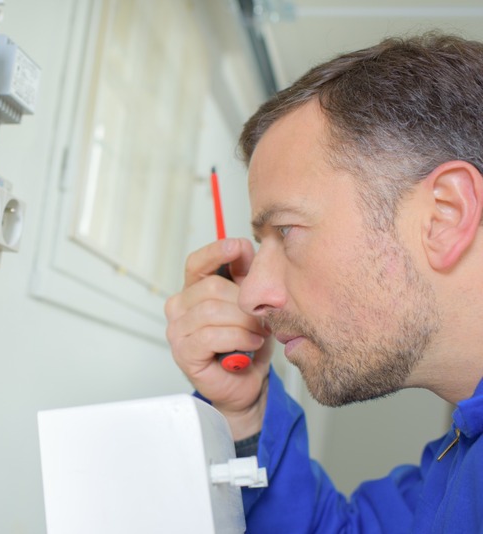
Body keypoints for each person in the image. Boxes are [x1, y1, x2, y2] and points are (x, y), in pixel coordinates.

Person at [164, 33, 483, 532]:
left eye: (287, 230)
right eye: (260, 240)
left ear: (445, 215)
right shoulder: (459, 458)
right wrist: (242, 411)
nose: (252, 295)